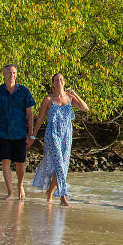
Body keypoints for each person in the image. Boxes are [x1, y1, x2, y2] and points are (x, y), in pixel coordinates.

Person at [32, 73, 88, 207]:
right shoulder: (48, 99)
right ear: (52, 84)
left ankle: (50, 192)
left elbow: (85, 108)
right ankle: (63, 197)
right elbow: (40, 118)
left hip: (67, 134)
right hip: (52, 133)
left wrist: (75, 94)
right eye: (56, 80)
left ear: (64, 82)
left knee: (62, 166)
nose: (59, 82)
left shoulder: (70, 97)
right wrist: (33, 135)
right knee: (58, 163)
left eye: (61, 80)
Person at [0, 64, 36, 200]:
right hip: (2, 133)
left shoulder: (24, 91)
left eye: (14, 73)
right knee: (5, 162)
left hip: (19, 133)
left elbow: (30, 114)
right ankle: (10, 192)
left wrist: (31, 134)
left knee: (20, 164)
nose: (11, 75)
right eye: (9, 73)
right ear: (4, 74)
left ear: (16, 75)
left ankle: (20, 185)